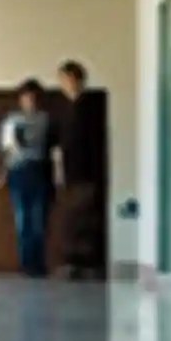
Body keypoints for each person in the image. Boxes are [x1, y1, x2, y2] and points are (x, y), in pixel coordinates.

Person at [53, 60, 105, 280]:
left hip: (87, 171)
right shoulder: (65, 108)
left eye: (66, 79)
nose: (63, 84)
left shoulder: (91, 106)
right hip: (70, 170)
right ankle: (72, 261)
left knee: (86, 217)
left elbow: (94, 141)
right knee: (71, 219)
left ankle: (88, 262)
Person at [0, 79, 55, 277]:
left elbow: (52, 147)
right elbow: (7, 149)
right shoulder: (12, 120)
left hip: (39, 169)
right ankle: (26, 263)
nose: (29, 101)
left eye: (33, 97)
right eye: (26, 97)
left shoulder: (45, 119)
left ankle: (39, 263)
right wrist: (3, 174)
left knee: (39, 219)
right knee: (22, 219)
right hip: (19, 170)